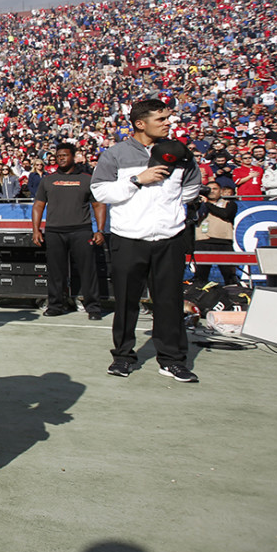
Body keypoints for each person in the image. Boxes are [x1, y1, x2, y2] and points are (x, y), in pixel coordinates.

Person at [91, 98, 202, 383]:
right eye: (161, 119)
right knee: (126, 302)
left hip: (169, 238)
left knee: (170, 302)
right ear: (140, 124)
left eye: (168, 118)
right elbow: (100, 192)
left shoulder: (180, 153)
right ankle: (123, 356)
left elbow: (192, 188)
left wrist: (170, 211)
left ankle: (172, 360)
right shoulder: (115, 154)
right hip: (129, 239)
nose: (168, 124)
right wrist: (137, 180)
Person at [32, 142, 107, 320]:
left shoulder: (87, 179)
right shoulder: (48, 180)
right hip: (54, 231)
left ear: (73, 157)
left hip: (81, 230)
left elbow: (99, 205)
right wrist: (36, 230)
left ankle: (93, 307)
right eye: (58, 156)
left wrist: (100, 230)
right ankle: (55, 305)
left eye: (65, 155)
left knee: (88, 271)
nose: (61, 158)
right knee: (55, 272)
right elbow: (38, 206)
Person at [192, 182, 239, 286]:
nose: (212, 191)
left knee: (229, 275)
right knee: (200, 276)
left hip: (223, 242)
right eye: (209, 189)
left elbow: (226, 214)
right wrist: (200, 203)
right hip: (203, 241)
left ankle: (232, 293)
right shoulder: (198, 204)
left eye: (215, 189)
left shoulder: (229, 204)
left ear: (221, 191)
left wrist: (207, 204)